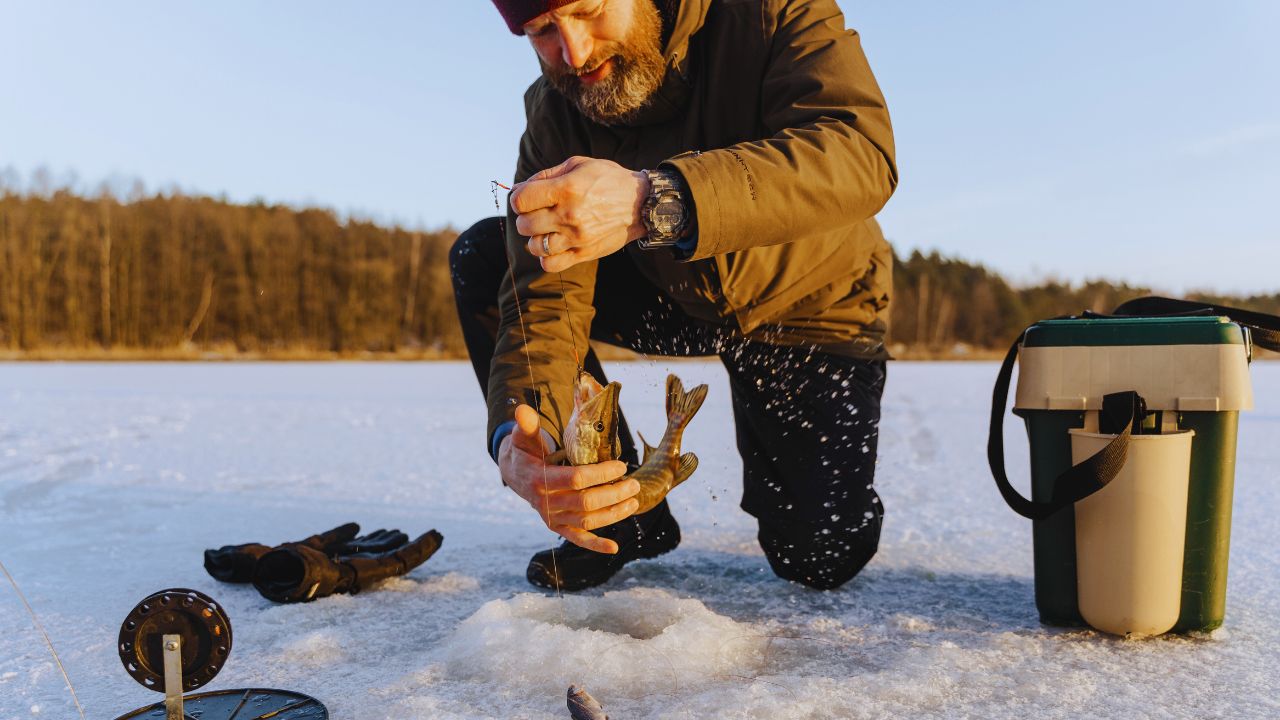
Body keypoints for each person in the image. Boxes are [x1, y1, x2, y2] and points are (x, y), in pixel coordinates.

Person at [451, 0, 897, 591]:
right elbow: (546, 301)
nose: (574, 53)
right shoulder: (554, 114)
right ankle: (628, 515)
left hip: (808, 309)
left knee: (818, 559)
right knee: (488, 254)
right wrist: (517, 433)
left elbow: (860, 152)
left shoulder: (772, 12)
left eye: (587, 11)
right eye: (541, 32)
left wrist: (653, 200)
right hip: (675, 297)